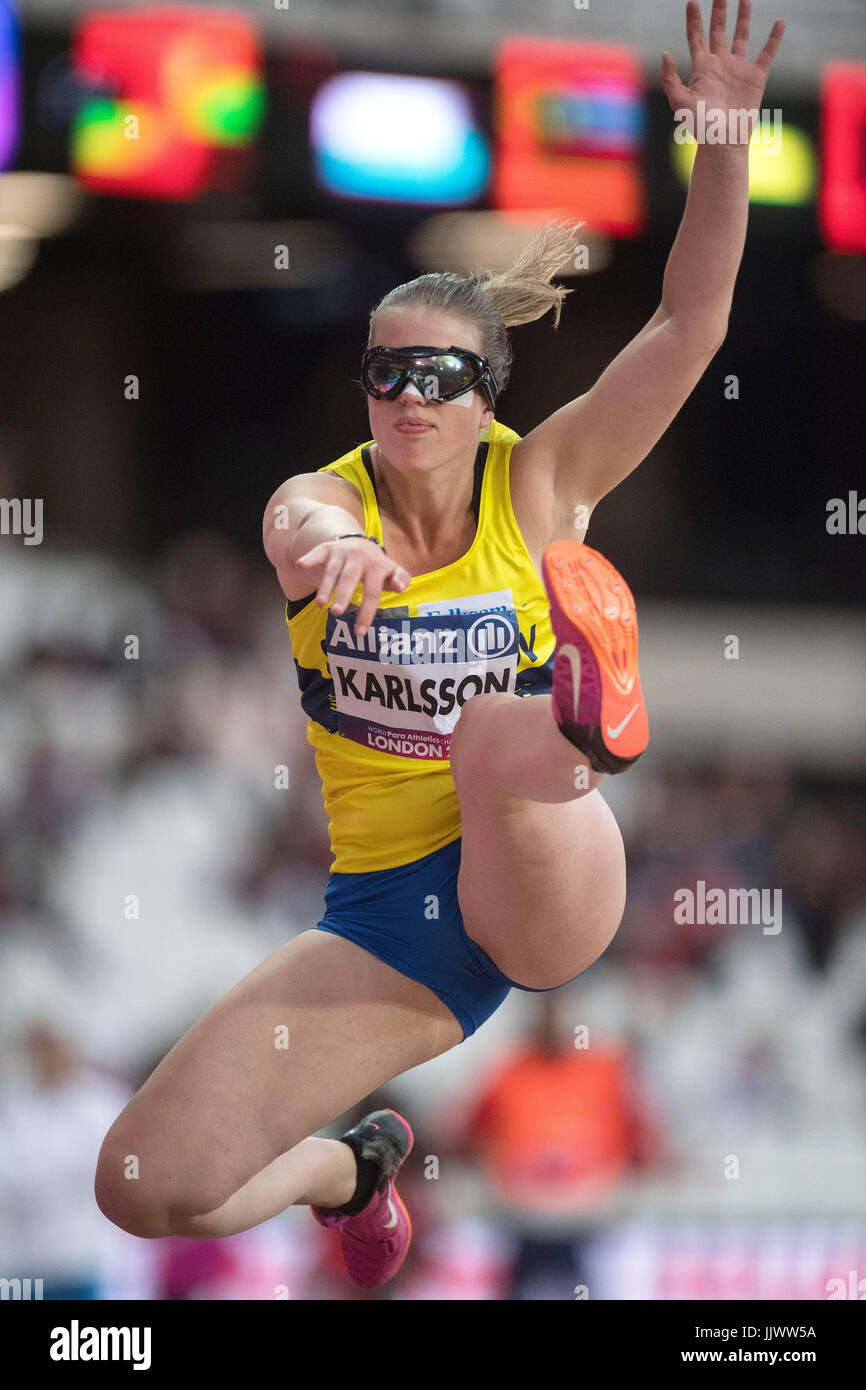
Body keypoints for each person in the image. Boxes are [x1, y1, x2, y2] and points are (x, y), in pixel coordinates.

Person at [95, 1, 784, 1293]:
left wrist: (728, 146)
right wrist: (327, 554)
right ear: (362, 388)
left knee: (486, 734)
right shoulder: (319, 500)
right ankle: (349, 1169)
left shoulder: (543, 487)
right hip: (394, 922)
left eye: (440, 378)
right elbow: (296, 527)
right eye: (385, 373)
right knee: (143, 1184)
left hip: (547, 872)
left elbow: (686, 328)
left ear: (486, 399)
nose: (407, 399)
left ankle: (586, 717)